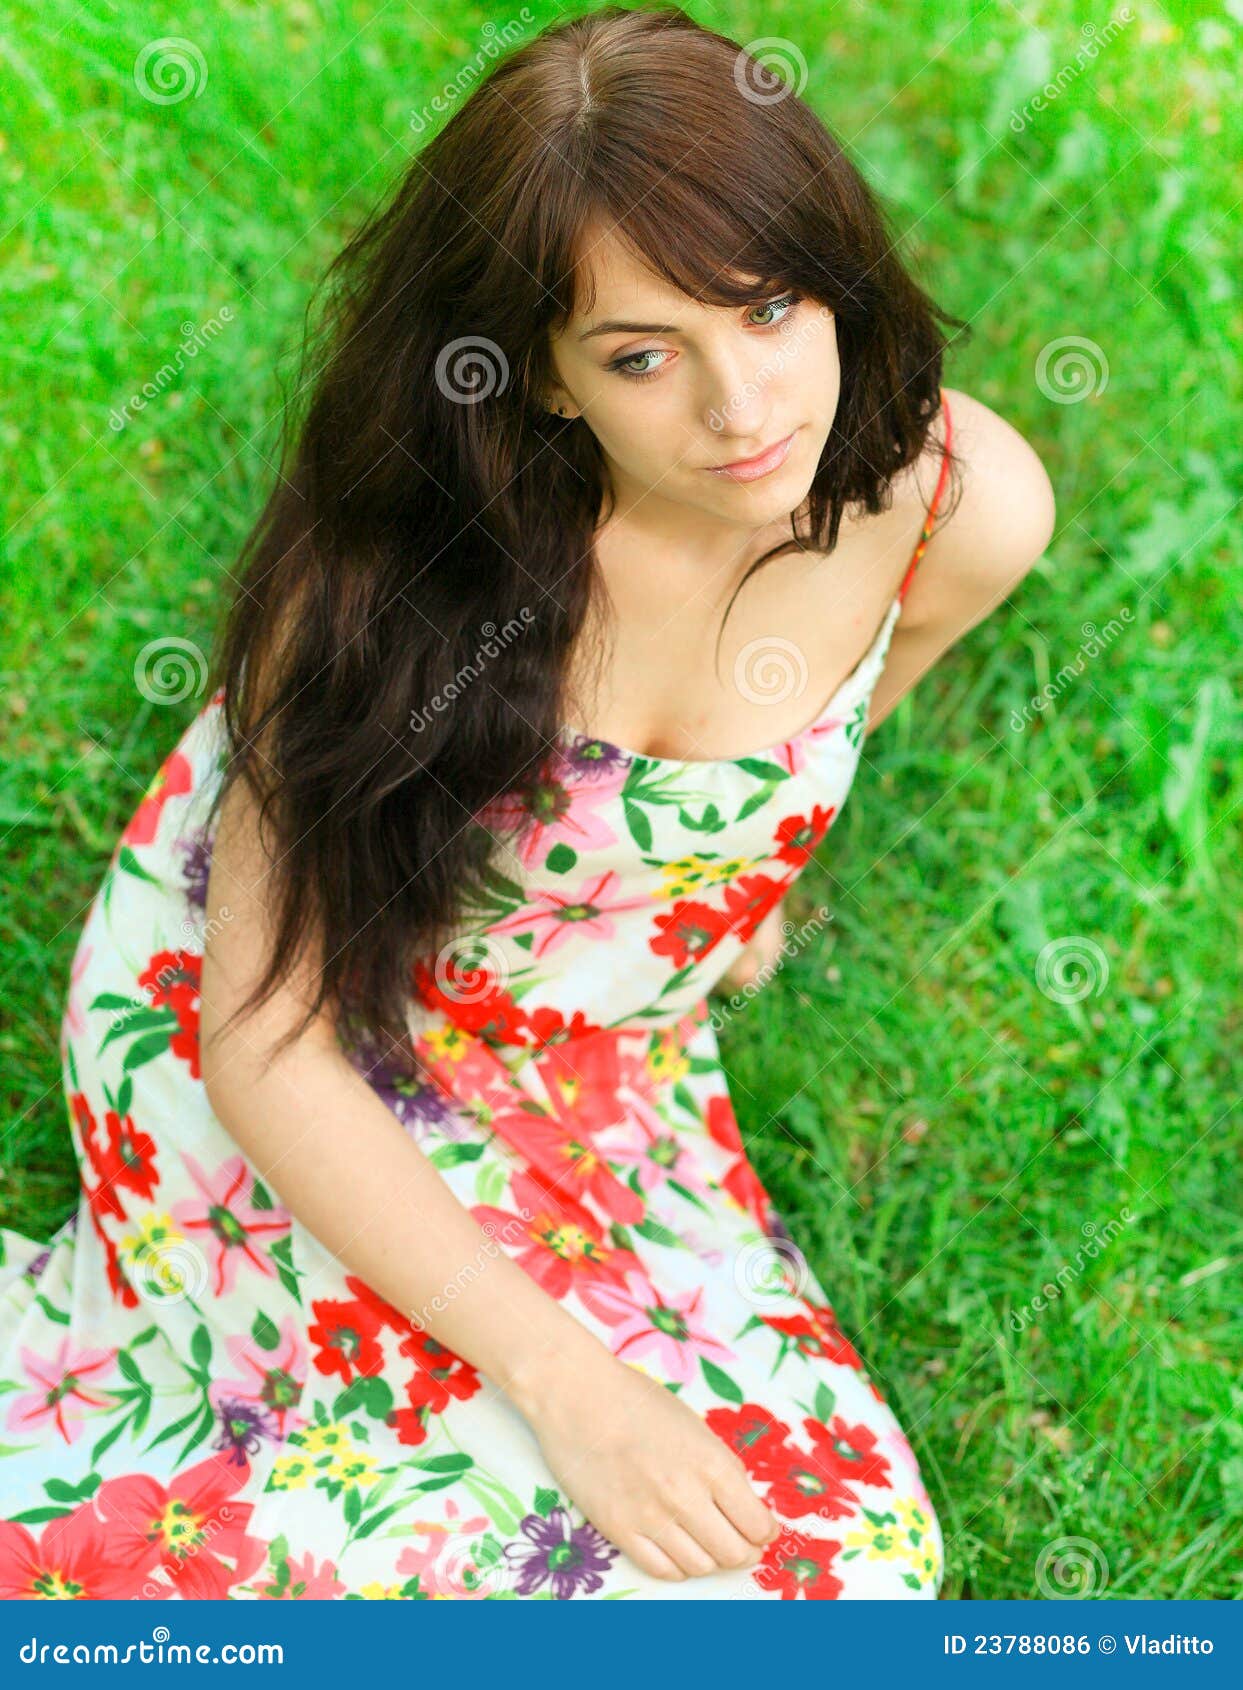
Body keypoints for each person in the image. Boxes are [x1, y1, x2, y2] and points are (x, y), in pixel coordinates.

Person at [0, 4, 1054, 1600]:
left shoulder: (955, 507)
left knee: (841, 1575)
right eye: (644, 354)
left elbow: (862, 694)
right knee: (432, 1550)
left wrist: (744, 888)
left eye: (772, 308)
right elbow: (264, 1041)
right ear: (547, 381)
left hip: (594, 1050)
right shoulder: (399, 580)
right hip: (311, 1041)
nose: (744, 406)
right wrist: (577, 1390)